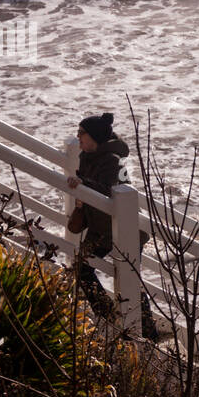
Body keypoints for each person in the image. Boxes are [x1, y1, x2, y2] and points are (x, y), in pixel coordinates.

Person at [66, 112, 156, 339]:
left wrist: (84, 183)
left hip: (128, 230)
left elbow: (110, 190)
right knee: (81, 268)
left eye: (81, 134)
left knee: (130, 282)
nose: (78, 138)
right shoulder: (86, 157)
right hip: (100, 227)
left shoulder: (113, 162)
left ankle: (149, 333)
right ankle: (110, 316)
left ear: (95, 137)